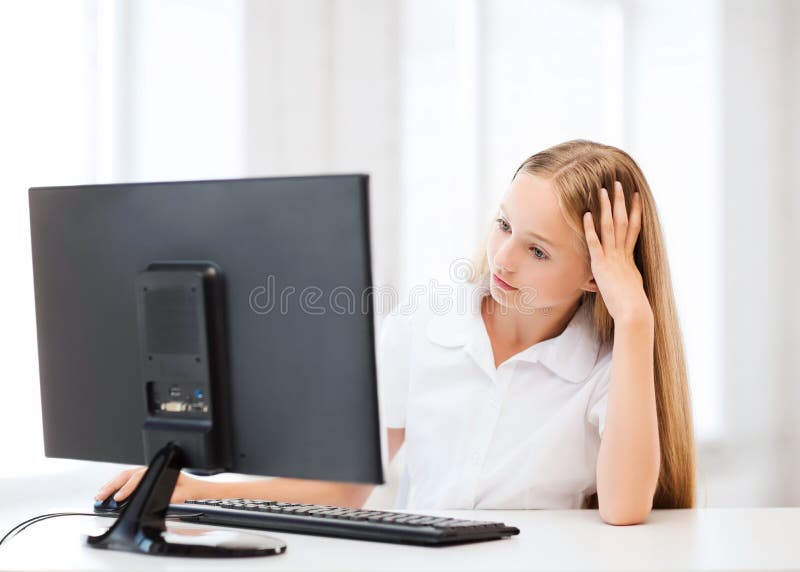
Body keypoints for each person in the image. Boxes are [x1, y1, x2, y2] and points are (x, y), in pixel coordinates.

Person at [96, 139, 696, 525]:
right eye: (503, 225)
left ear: (598, 277)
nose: (504, 259)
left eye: (537, 250)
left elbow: (624, 509)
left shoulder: (605, 365)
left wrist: (636, 321)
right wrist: (194, 495)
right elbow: (343, 490)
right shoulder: (425, 322)